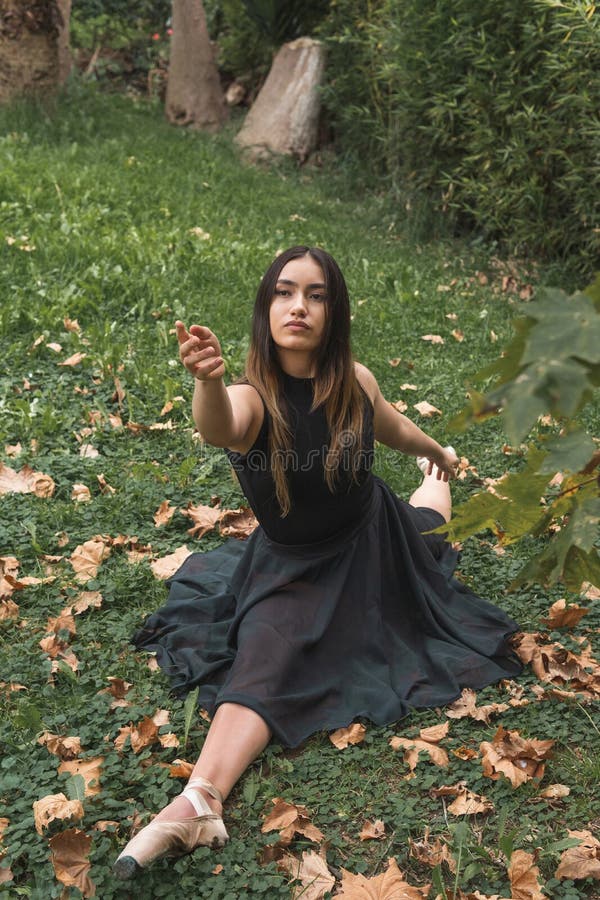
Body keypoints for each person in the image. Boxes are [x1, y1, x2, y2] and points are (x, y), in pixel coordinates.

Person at [113, 246, 521, 880]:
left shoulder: (355, 381)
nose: (298, 305)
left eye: (316, 294)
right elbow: (219, 427)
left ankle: (436, 480)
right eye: (283, 292)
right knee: (265, 654)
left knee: (430, 525)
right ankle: (199, 801)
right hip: (294, 566)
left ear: (335, 312)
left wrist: (436, 448)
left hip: (371, 540)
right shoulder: (251, 400)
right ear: (265, 308)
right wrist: (207, 380)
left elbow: (391, 426)